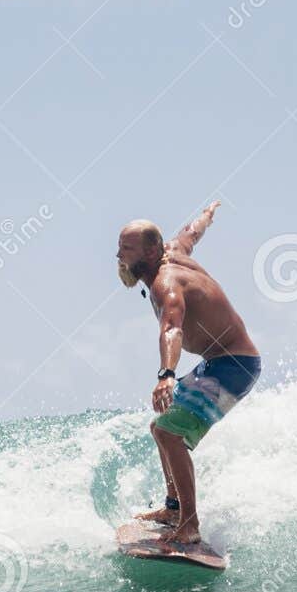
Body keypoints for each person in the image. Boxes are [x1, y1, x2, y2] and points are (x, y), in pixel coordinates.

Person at [115, 201, 261, 547]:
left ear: (151, 251)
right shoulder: (172, 251)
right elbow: (190, 234)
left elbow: (172, 328)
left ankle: (190, 525)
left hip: (234, 366)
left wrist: (167, 373)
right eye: (119, 246)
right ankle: (174, 507)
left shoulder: (166, 283)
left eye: (127, 249)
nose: (118, 255)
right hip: (218, 362)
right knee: (160, 428)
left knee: (169, 434)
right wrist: (207, 216)